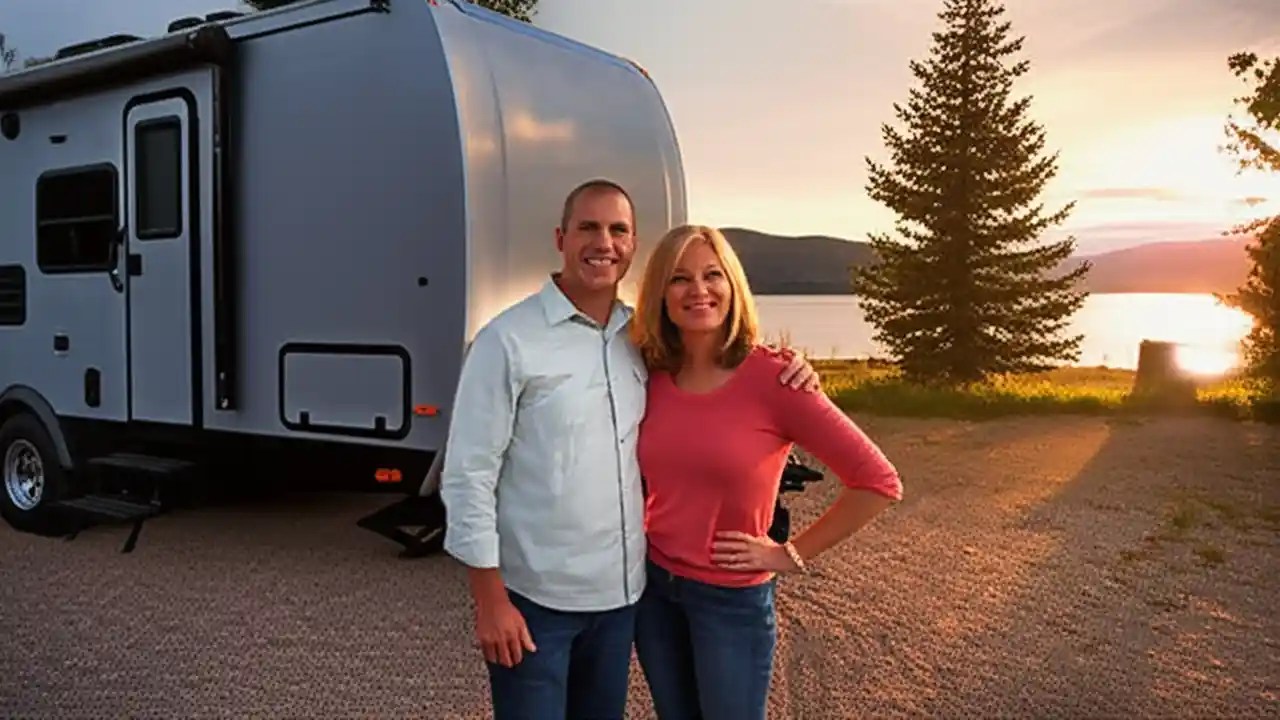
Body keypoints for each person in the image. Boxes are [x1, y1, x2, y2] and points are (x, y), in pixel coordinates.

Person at [438, 180, 819, 720]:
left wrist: (789, 365)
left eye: (618, 230)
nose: (604, 242)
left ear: (633, 244)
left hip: (620, 605)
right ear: (560, 238)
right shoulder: (507, 340)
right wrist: (490, 599)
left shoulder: (639, 339)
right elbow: (468, 475)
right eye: (588, 228)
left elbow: (711, 359)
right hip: (534, 604)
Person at [629, 224, 904, 720]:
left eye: (713, 275)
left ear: (733, 287)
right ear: (659, 294)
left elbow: (878, 482)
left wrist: (789, 554)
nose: (699, 290)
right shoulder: (648, 373)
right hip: (654, 590)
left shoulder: (775, 379)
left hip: (730, 601)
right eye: (679, 278)